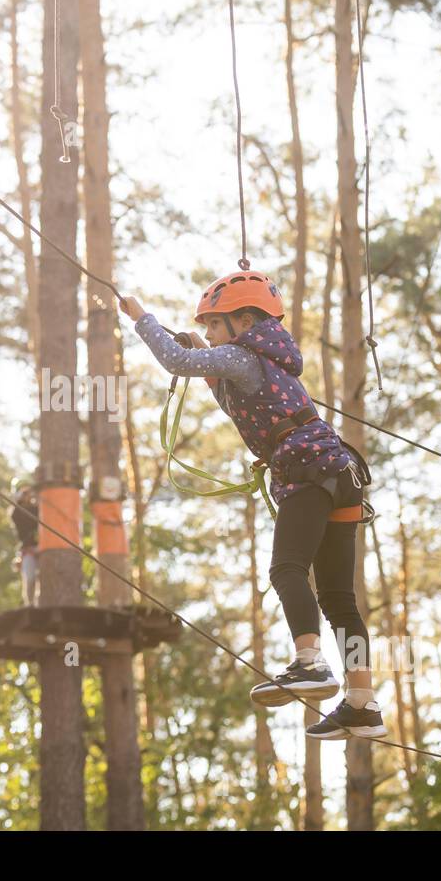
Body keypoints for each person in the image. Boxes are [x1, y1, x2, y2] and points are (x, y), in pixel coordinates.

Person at [119, 270, 386, 740]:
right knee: (340, 602)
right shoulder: (266, 361)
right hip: (338, 476)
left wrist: (141, 317)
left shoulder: (244, 357)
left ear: (243, 321)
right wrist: (204, 353)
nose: (208, 335)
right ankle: (362, 703)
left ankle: (310, 663)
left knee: (286, 570)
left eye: (214, 326)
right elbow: (213, 375)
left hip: (309, 474)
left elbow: (177, 361)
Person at [10, 483, 39, 606]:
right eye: (24, 493)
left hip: (43, 548)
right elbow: (19, 514)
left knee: (44, 578)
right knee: (30, 578)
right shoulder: (16, 513)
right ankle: (30, 603)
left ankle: (40, 603)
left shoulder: (37, 509)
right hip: (28, 549)